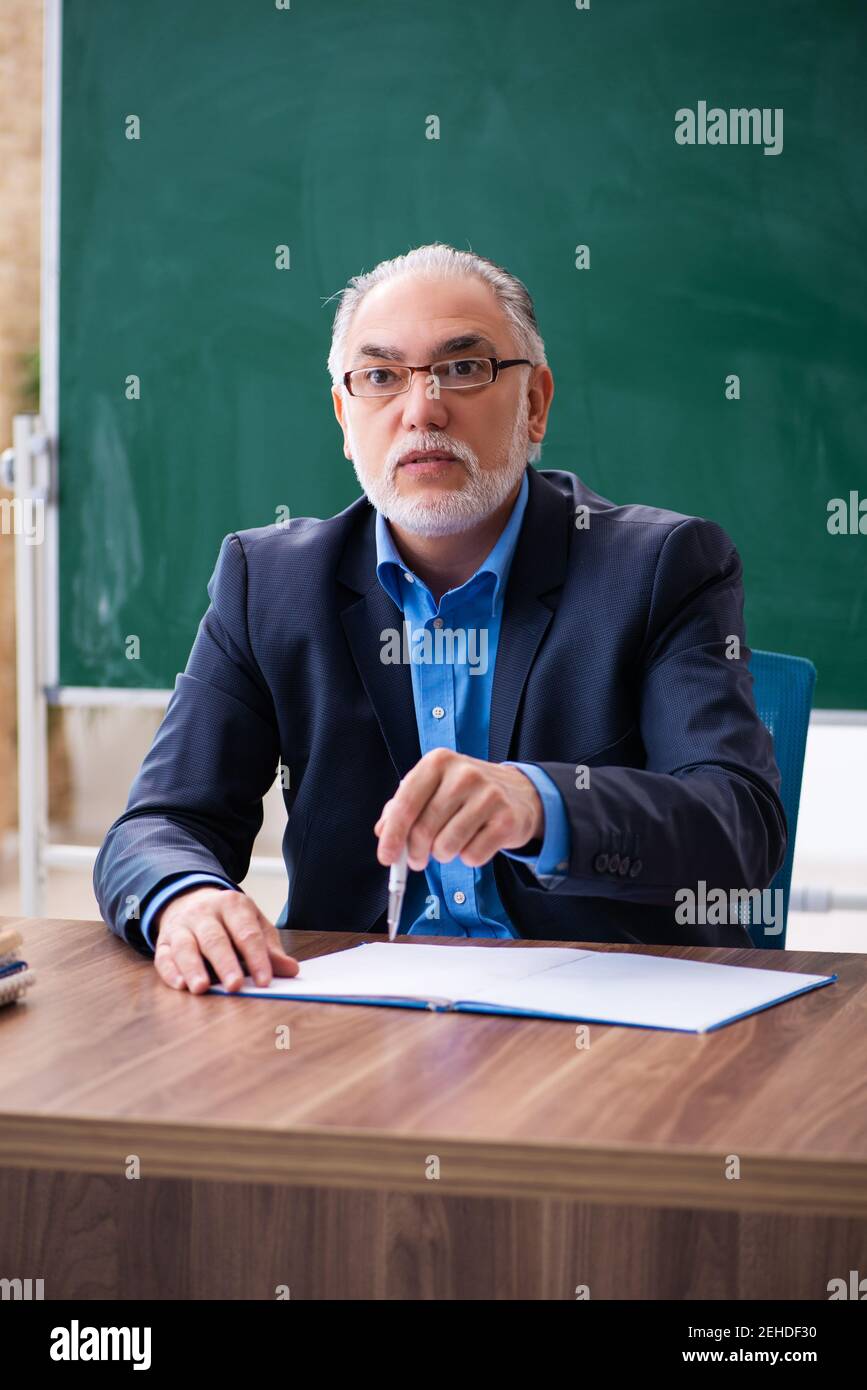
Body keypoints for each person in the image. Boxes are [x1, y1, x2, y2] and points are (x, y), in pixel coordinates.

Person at [93, 243, 786, 992]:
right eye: (381, 377)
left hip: (613, 1023)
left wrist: (542, 802)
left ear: (536, 404)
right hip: (352, 1023)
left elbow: (737, 826)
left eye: (463, 368)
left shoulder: (660, 567)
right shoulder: (268, 582)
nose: (421, 409)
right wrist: (184, 896)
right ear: (343, 414)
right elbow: (158, 826)